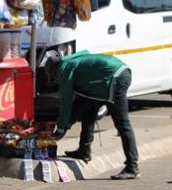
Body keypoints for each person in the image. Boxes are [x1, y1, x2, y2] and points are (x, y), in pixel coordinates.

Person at [44, 50, 140, 180]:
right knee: (89, 111)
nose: (55, 80)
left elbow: (66, 101)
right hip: (110, 74)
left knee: (122, 123)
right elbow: (81, 103)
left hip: (114, 77)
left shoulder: (64, 68)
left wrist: (61, 128)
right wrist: (66, 124)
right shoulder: (70, 60)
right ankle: (84, 150)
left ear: (54, 69)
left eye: (53, 76)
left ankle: (132, 167)